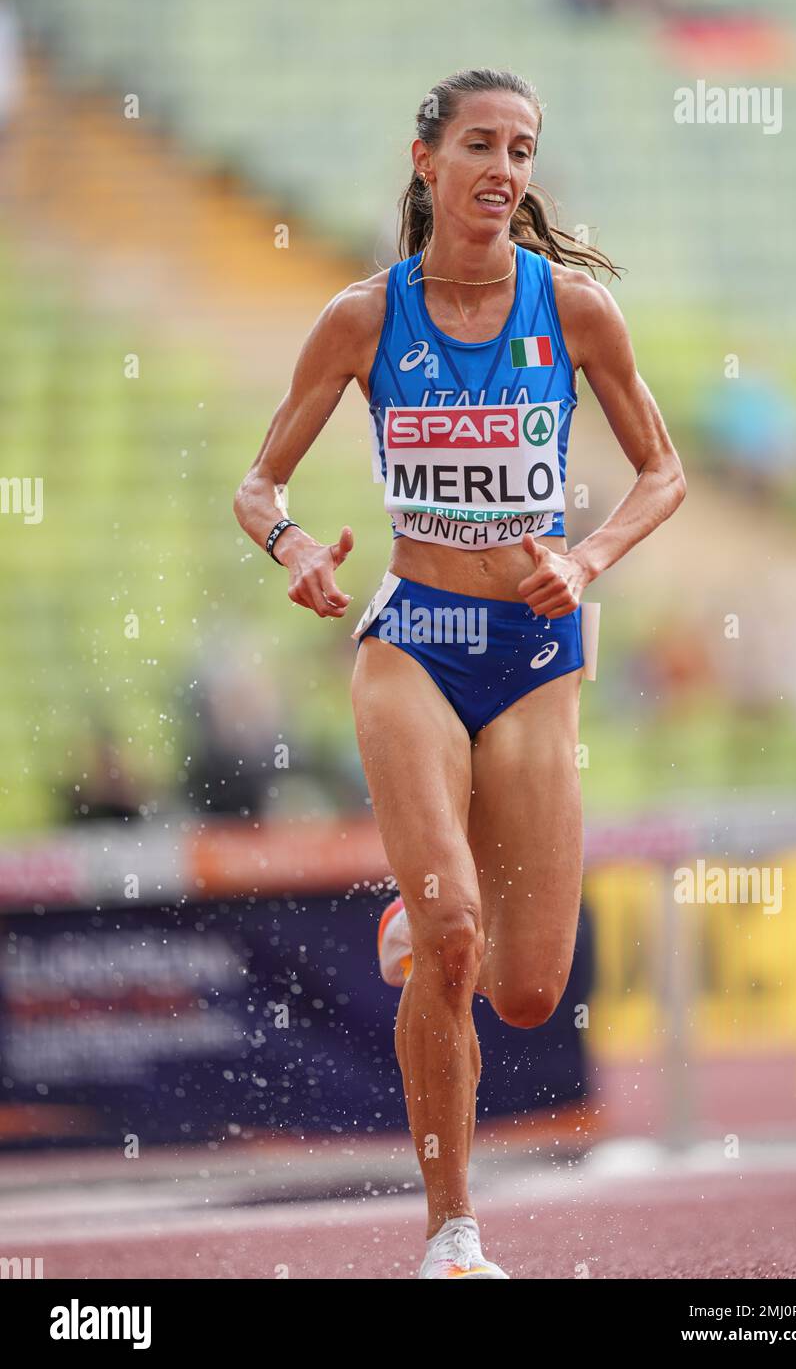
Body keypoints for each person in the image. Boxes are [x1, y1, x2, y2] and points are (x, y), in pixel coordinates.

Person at [233, 67, 686, 1279]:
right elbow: (258, 483)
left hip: (536, 660)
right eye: (479, 144)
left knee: (528, 991)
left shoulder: (577, 310)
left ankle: (420, 913)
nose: (504, 169)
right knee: (451, 943)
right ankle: (451, 1233)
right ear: (424, 161)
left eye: (523, 149)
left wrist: (585, 561)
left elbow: (663, 473)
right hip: (411, 642)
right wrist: (290, 547)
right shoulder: (363, 317)